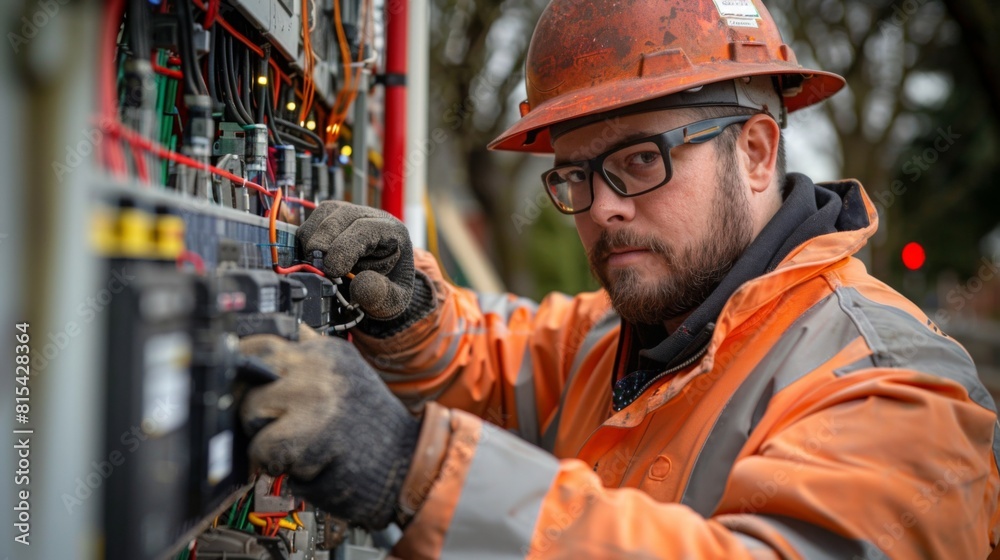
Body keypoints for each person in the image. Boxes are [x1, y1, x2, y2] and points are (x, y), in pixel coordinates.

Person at [238, 0, 1000, 557]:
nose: (602, 207)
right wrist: (410, 314)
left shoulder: (891, 386)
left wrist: (416, 475)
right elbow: (497, 361)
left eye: (640, 159)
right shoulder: (625, 332)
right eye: (575, 174)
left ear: (757, 152)